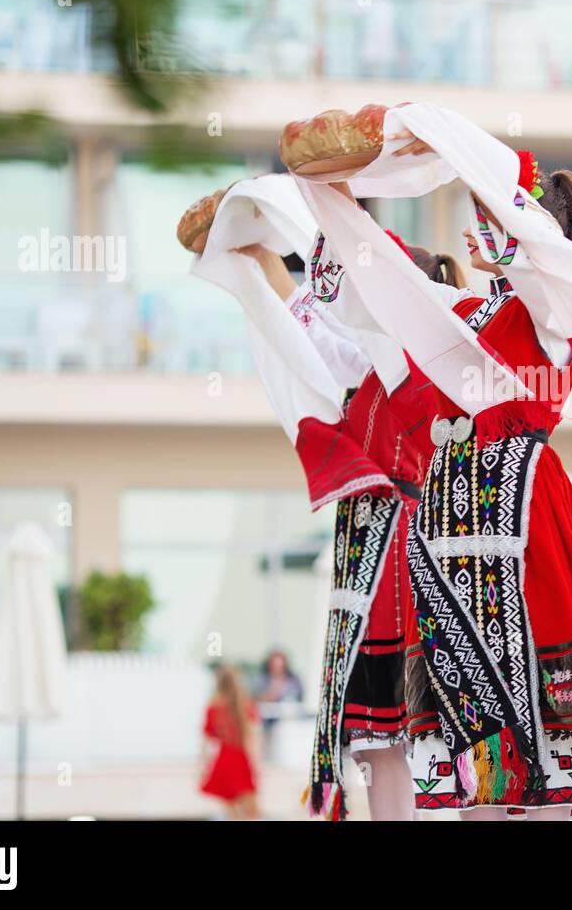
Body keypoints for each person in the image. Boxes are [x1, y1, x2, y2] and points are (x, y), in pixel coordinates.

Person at [302, 116, 572, 820]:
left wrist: (449, 145)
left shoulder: (553, 305)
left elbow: (532, 257)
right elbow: (377, 300)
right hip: (454, 513)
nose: (473, 233)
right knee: (472, 738)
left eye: (485, 216)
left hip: (515, 511)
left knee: (539, 724)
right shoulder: (483, 309)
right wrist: (330, 195)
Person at [233, 223, 462, 821]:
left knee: (395, 728)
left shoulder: (423, 365)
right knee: (373, 736)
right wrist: (259, 254)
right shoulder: (371, 363)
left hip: (397, 544)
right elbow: (300, 325)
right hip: (367, 546)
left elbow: (318, 330)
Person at [199, 665, 261, 819]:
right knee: (251, 812)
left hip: (223, 761)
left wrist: (204, 766)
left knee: (232, 812)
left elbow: (205, 743)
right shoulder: (245, 706)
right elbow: (253, 740)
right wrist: (256, 765)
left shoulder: (213, 708)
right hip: (241, 761)